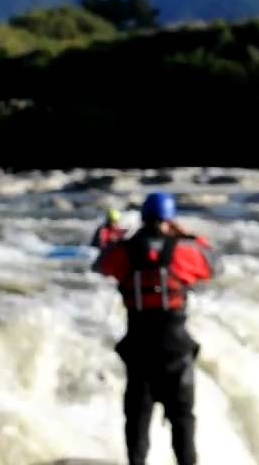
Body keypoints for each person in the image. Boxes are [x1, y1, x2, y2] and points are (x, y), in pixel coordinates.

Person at [92, 192, 217, 465]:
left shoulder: (123, 252)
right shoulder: (185, 252)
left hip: (139, 350)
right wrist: (188, 235)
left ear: (144, 218)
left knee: (137, 421)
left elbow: (100, 263)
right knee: (183, 420)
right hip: (176, 351)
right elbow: (213, 264)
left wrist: (113, 235)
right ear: (169, 220)